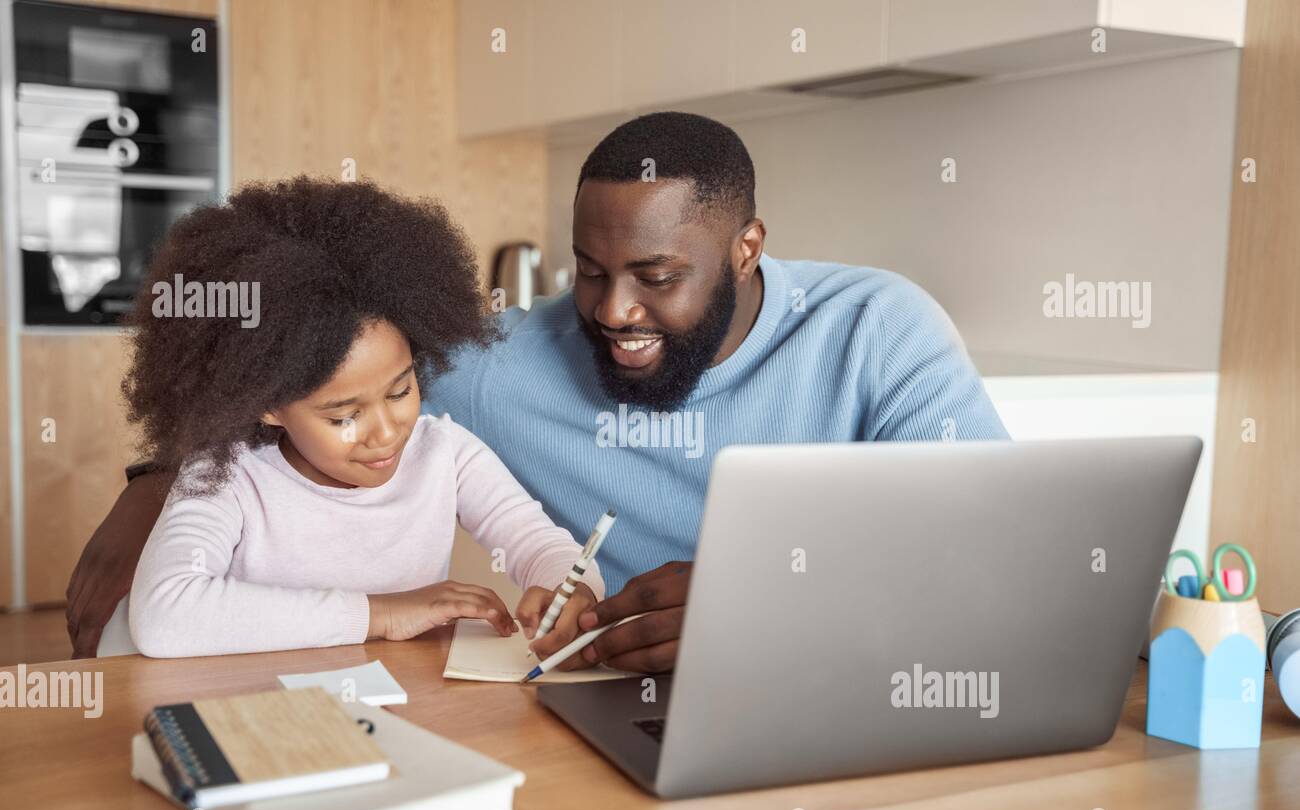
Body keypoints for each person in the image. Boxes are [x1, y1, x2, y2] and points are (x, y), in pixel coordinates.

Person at [68, 112, 1006, 669]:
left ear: (747, 248)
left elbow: (995, 550)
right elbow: (301, 364)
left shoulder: (879, 327)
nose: (613, 310)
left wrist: (786, 603)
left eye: (656, 276)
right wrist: (156, 480)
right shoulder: (500, 359)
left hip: (845, 675)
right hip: (624, 691)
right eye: (589, 270)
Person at [105, 177, 600, 658]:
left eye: (401, 390)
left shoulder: (446, 454)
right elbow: (162, 618)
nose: (386, 433)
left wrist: (566, 587)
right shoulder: (228, 474)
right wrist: (380, 615)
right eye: (344, 416)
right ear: (268, 403)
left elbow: (544, 546)